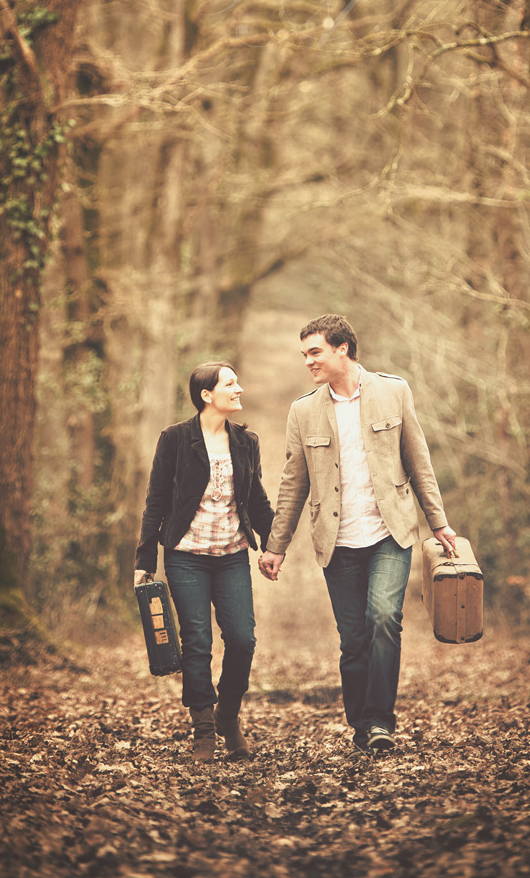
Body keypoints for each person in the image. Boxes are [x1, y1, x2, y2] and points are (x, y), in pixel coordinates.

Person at [258, 314, 456, 755]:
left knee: (384, 619)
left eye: (315, 352)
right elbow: (293, 483)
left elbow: (418, 460)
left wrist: (438, 521)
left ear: (342, 348)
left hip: (390, 532)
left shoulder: (394, 391)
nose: (308, 361)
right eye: (304, 354)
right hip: (337, 540)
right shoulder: (303, 410)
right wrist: (276, 547)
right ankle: (361, 724)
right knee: (353, 641)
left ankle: (381, 721)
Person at [134, 362, 274, 763]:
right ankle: (204, 729)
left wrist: (271, 545)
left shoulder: (246, 443)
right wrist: (146, 558)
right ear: (206, 395)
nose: (239, 388)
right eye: (230, 384)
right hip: (185, 558)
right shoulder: (175, 439)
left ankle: (228, 715)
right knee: (197, 642)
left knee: (243, 639)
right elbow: (156, 501)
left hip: (231, 557)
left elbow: (257, 501)